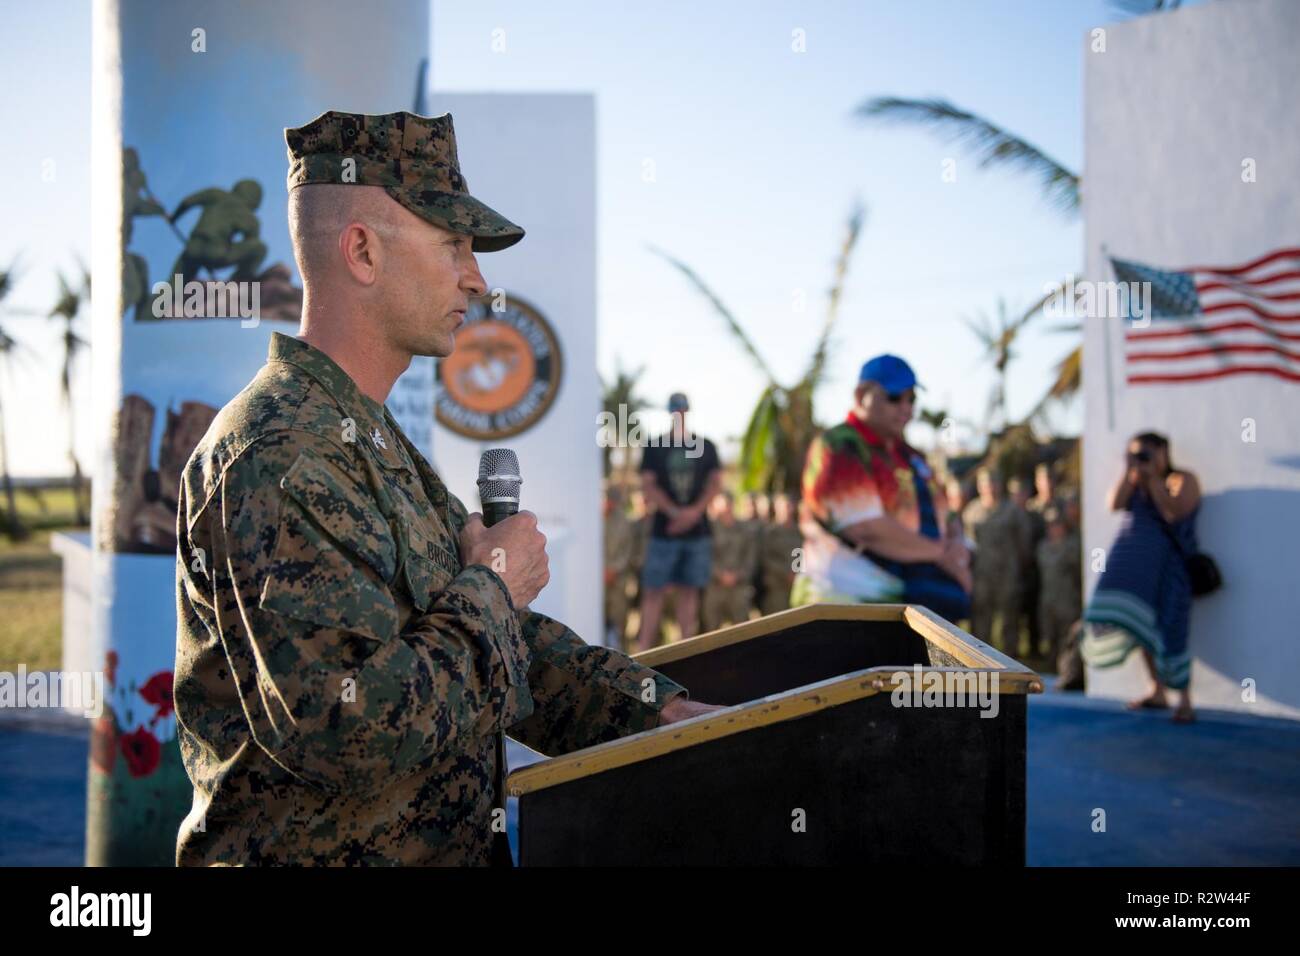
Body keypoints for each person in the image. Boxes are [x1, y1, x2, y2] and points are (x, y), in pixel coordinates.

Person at [173, 110, 722, 867]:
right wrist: (495, 586)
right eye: (453, 244)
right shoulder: (278, 453)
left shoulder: (363, 435)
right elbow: (352, 730)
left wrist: (659, 713)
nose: (477, 277)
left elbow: (492, 647)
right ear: (361, 251)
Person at [793, 354, 971, 622]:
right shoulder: (839, 445)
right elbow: (866, 528)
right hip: (843, 609)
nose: (906, 407)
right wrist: (942, 554)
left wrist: (958, 546)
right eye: (894, 397)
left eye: (912, 398)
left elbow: (947, 514)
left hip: (910, 610)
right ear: (861, 394)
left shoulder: (912, 456)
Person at [1081, 432, 1201, 723]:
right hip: (1133, 565)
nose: (1141, 459)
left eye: (1147, 453)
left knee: (1172, 626)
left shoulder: (1181, 479)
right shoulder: (1133, 479)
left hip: (1169, 566)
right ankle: (1157, 690)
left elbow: (1173, 513)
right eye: (1136, 453)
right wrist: (1129, 470)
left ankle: (1184, 700)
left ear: (1163, 452)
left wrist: (1153, 481)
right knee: (1137, 624)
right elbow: (1114, 504)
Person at [635, 393, 722, 650]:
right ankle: (642, 653)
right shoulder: (654, 446)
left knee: (689, 591)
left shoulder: (707, 446)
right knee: (653, 592)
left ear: (687, 411)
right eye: (675, 410)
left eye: (682, 410)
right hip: (664, 532)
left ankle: (686, 650)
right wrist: (676, 514)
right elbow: (648, 486)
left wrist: (692, 513)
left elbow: (715, 484)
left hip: (697, 533)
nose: (679, 414)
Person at [962, 468, 1033, 656]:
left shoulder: (1013, 511)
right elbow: (966, 546)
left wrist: (1018, 568)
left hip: (1007, 576)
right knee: (980, 624)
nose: (990, 487)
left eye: (994, 482)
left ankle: (1010, 666)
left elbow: (1024, 544)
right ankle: (980, 664)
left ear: (1000, 485)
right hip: (981, 576)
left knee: (1009, 623)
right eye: (986, 483)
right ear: (979, 486)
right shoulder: (971, 512)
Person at [1036, 505, 1082, 682]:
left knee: (1066, 641)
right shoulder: (1042, 547)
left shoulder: (1073, 546)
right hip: (1047, 601)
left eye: (1057, 524)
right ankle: (1049, 675)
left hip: (1067, 601)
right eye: (1050, 525)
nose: (1053, 528)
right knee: (1049, 640)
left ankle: (1066, 674)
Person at [701, 491, 758, 632]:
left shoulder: (745, 530)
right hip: (715, 587)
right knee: (711, 634)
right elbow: (704, 557)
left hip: (739, 587)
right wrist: (720, 575)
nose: (726, 509)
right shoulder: (708, 530)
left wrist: (738, 576)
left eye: (728, 505)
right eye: (722, 506)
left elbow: (750, 559)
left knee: (743, 632)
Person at [1008, 475, 1044, 657]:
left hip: (1031, 569)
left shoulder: (1035, 516)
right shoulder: (1006, 516)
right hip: (1010, 570)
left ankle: (1034, 648)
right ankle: (1011, 650)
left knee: (1032, 610)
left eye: (1022, 493)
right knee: (1012, 611)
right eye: (1015, 493)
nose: (1019, 497)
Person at [602, 486, 638, 647]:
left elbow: (628, 550)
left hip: (618, 580)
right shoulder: (589, 518)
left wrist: (614, 570)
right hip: (595, 582)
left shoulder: (624, 521)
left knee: (619, 621)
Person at [760, 493, 803, 615]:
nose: (787, 509)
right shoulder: (770, 532)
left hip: (794, 585)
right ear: (776, 507)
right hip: (776, 585)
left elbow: (799, 553)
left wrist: (796, 573)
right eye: (784, 506)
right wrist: (786, 573)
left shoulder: (798, 531)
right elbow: (766, 558)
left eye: (790, 505)